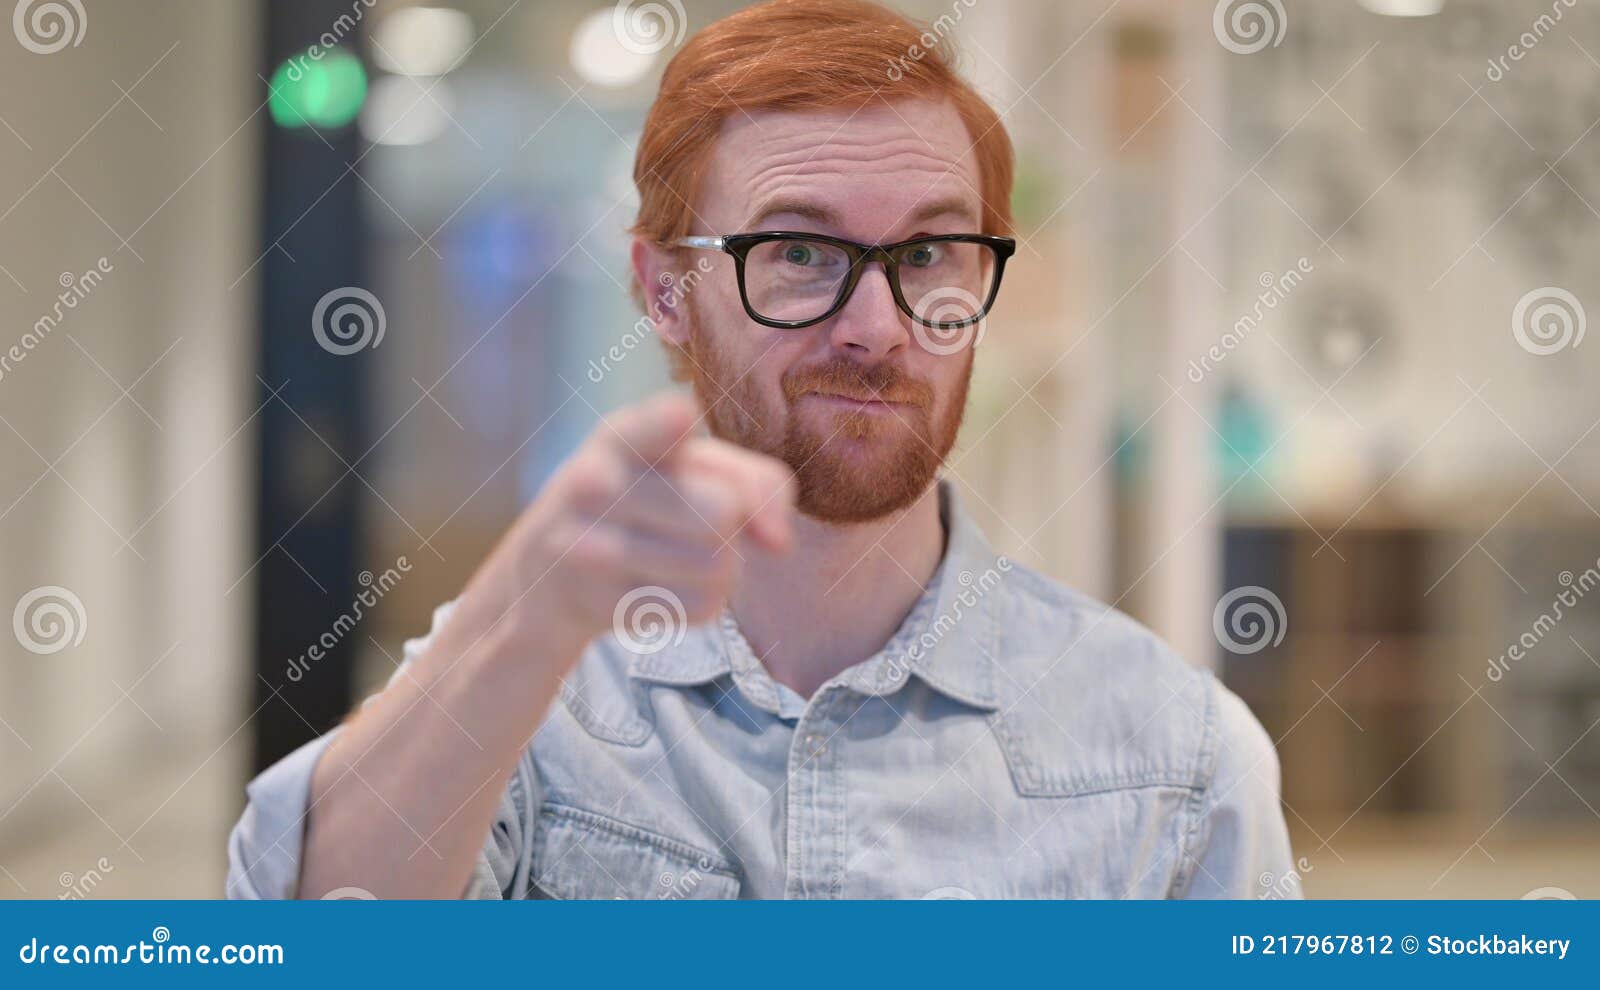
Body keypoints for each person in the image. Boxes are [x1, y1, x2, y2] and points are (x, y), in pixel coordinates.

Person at [227, 0, 1295, 900]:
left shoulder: (1176, 757)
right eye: (798, 251)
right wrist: (526, 611)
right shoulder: (532, 687)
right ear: (664, 292)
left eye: (929, 251)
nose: (877, 328)